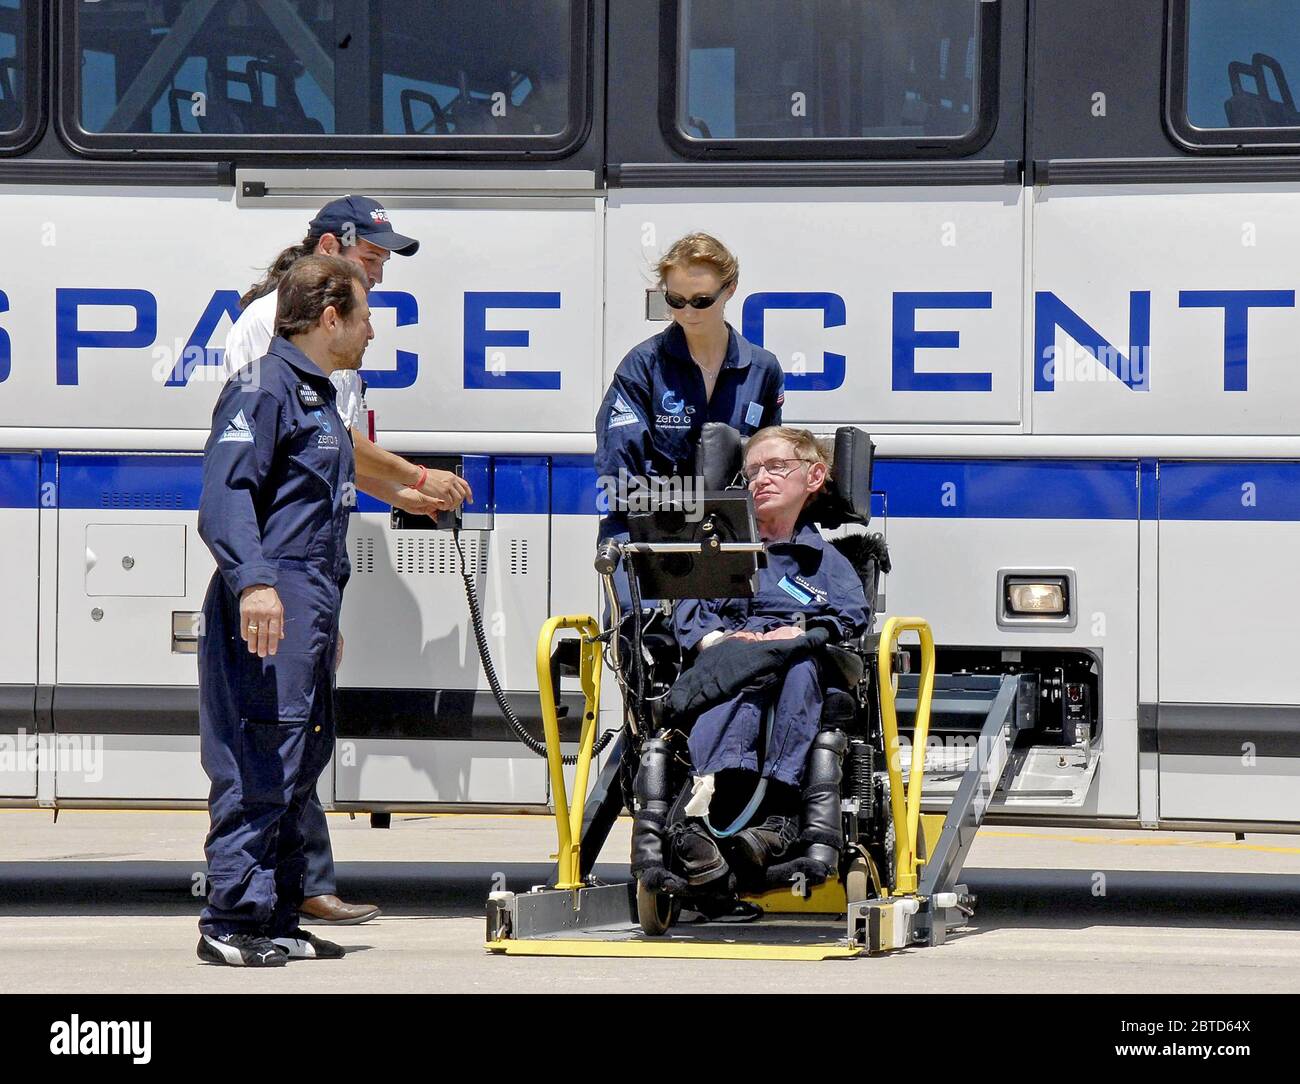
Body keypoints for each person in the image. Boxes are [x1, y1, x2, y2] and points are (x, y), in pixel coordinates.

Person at [224, 195, 473, 926]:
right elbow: (299, 445)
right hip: (284, 554)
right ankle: (257, 899)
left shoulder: (329, 335)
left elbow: (335, 452)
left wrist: (407, 490)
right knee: (276, 726)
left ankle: (301, 884)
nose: (382, 275)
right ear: (331, 244)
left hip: (318, 554)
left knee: (308, 725)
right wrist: (415, 478)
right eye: (372, 256)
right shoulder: (273, 327)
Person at [195, 255, 371, 967]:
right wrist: (257, 585)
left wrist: (324, 619)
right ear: (329, 318)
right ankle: (230, 920)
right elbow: (226, 497)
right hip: (270, 599)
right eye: (362, 316)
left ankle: (278, 913)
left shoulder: (316, 396)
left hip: (309, 602)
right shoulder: (261, 388)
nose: (370, 332)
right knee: (258, 755)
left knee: (300, 758)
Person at [668, 426, 871, 890]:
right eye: (752, 471)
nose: (761, 479)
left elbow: (851, 615)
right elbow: (689, 611)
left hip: (794, 663)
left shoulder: (825, 563)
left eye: (777, 467)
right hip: (728, 663)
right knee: (730, 665)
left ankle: (779, 819)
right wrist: (721, 641)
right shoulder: (720, 550)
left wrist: (798, 632)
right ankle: (704, 817)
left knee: (799, 665)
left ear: (815, 476)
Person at [594, 233, 785, 606]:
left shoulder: (763, 369)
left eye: (701, 301)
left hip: (730, 536)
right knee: (644, 630)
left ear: (729, 290)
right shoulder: (643, 366)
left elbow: (767, 463)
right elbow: (617, 474)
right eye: (675, 301)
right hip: (646, 530)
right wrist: (681, 509)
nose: (687, 313)